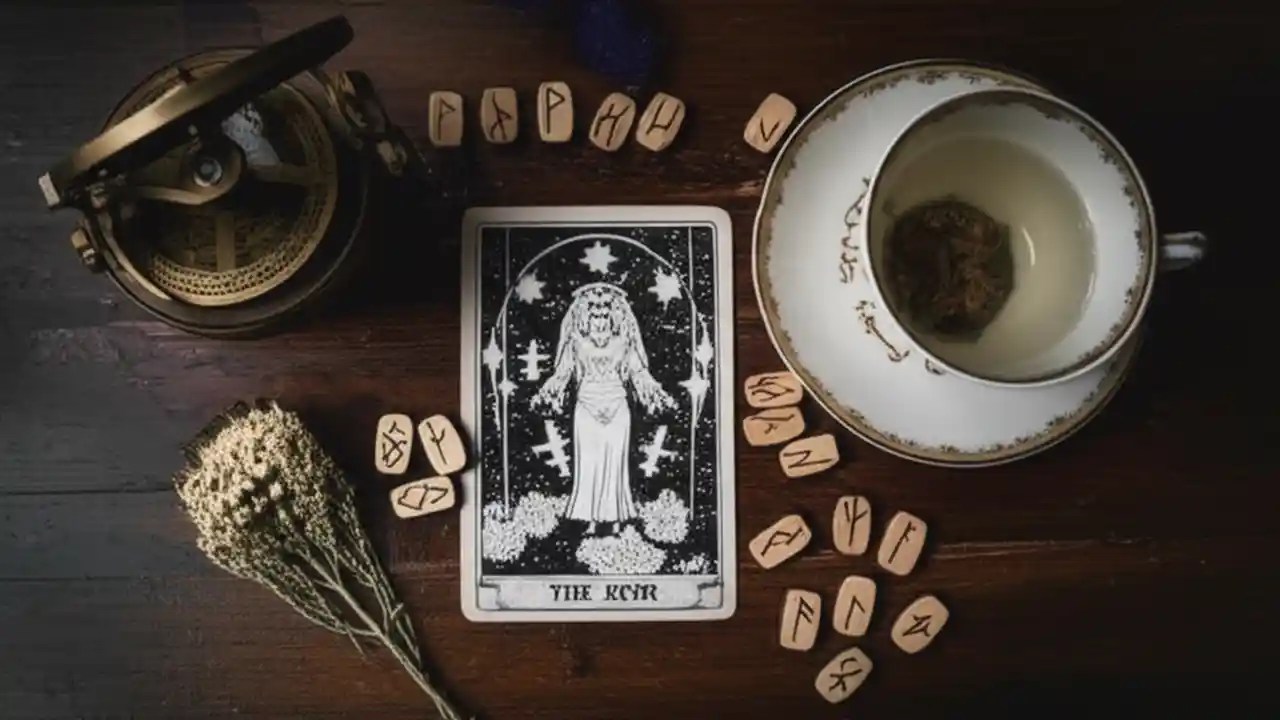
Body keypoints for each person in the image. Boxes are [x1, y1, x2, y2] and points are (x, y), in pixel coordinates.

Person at [533, 283, 675, 534]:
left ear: (614, 315)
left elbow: (638, 372)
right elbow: (563, 373)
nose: (599, 319)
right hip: (587, 404)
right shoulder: (576, 342)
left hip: (617, 404)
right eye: (594, 314)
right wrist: (547, 391)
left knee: (614, 463)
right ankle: (591, 518)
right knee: (589, 462)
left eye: (604, 313)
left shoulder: (624, 342)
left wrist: (657, 394)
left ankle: (616, 518)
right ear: (586, 315)